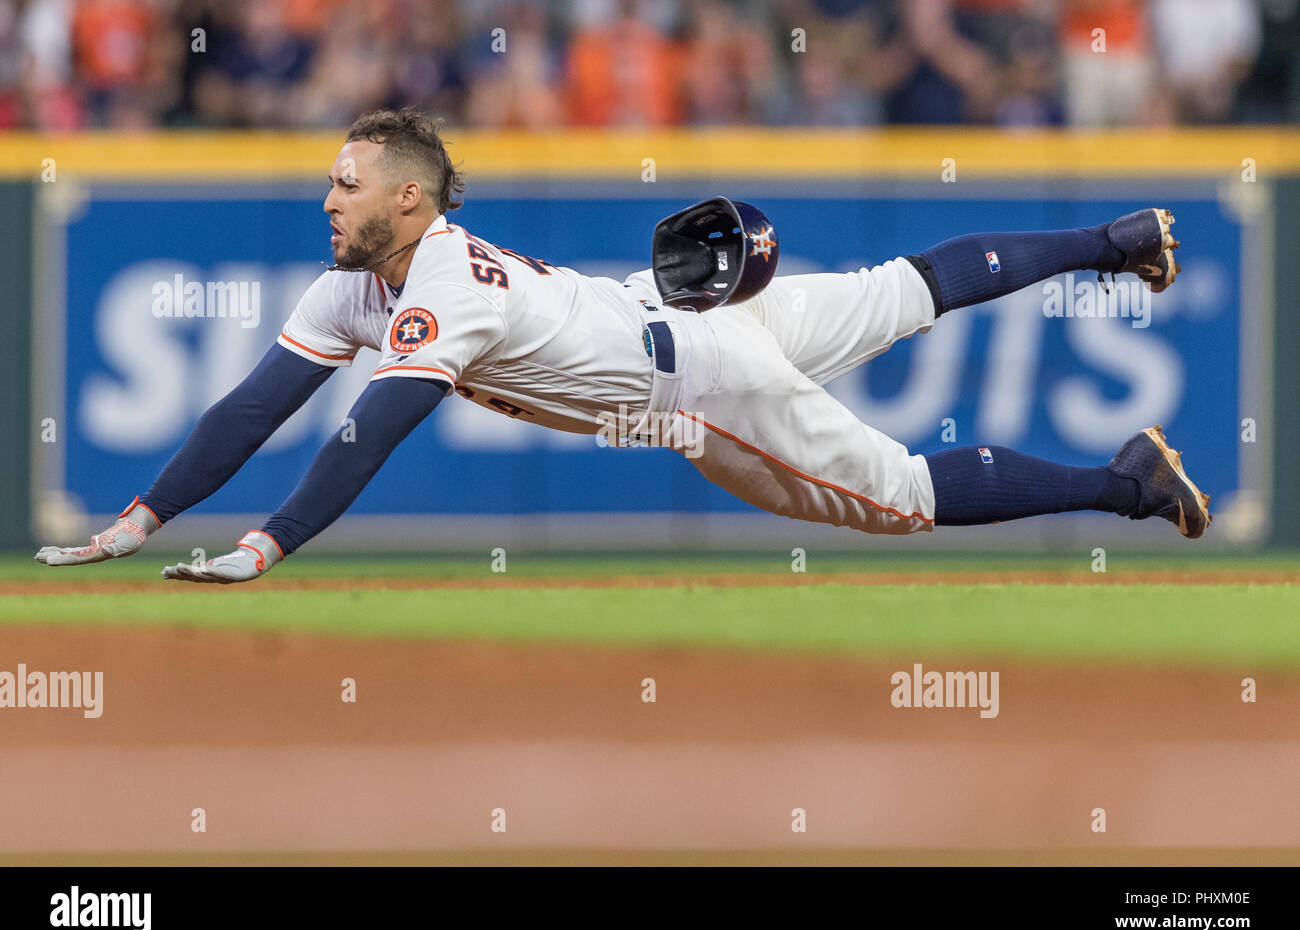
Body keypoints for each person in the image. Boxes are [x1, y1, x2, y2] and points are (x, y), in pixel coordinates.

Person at [35, 107, 1209, 583]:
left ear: (406, 200)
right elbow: (251, 408)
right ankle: (1115, 239)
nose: (327, 197)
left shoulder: (439, 282)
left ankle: (1127, 485)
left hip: (703, 383)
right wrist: (139, 517)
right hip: (697, 312)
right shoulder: (358, 283)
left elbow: (371, 426)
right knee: (903, 285)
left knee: (902, 492)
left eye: (347, 183)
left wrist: (268, 544)